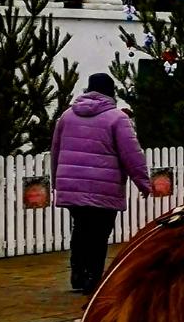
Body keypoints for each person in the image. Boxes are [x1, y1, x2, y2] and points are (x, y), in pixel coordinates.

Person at [51, 72, 152, 294]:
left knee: (80, 229)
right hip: (103, 188)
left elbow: (55, 151)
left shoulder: (67, 116)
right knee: (99, 234)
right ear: (111, 91)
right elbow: (131, 154)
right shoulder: (118, 118)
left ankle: (78, 273)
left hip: (73, 188)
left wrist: (57, 183)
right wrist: (143, 183)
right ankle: (92, 279)